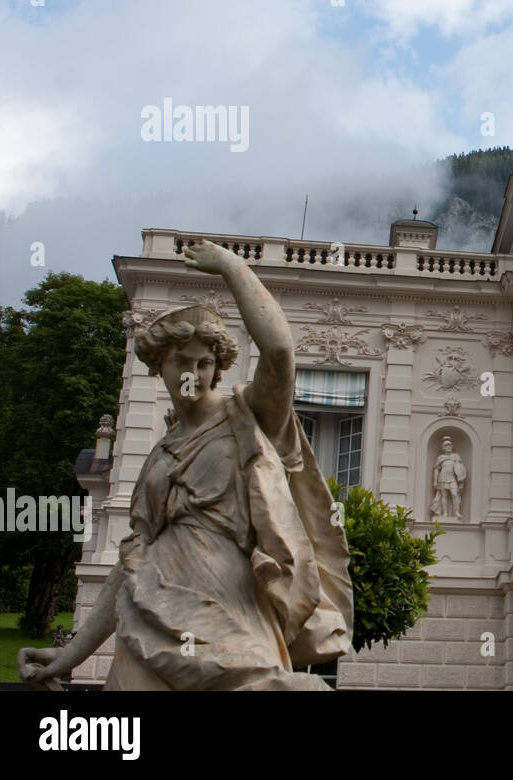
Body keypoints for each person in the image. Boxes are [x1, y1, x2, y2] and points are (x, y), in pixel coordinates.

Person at [19, 240, 352, 690]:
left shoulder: (248, 417)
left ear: (218, 367)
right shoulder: (158, 458)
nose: (193, 372)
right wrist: (72, 653)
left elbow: (278, 354)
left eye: (205, 361)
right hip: (149, 619)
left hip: (231, 617)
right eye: (180, 361)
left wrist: (233, 269)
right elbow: (132, 562)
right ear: (161, 365)